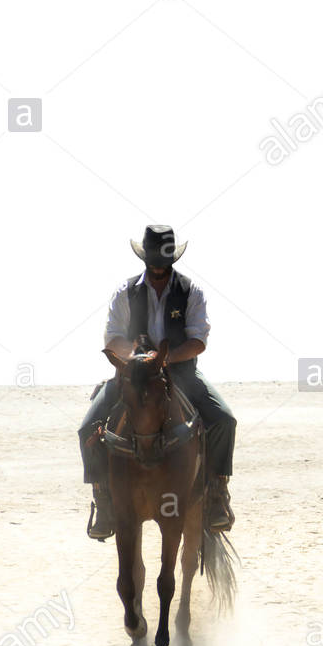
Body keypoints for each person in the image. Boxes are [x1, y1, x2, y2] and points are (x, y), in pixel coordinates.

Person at [78, 225, 236, 539]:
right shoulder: (126, 291)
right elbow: (113, 337)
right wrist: (140, 360)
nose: (158, 268)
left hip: (181, 373)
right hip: (134, 375)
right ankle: (103, 499)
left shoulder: (191, 291)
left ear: (172, 260)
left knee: (224, 420)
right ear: (145, 259)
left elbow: (198, 341)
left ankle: (217, 494)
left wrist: (165, 359)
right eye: (154, 261)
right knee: (87, 427)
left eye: (163, 262)